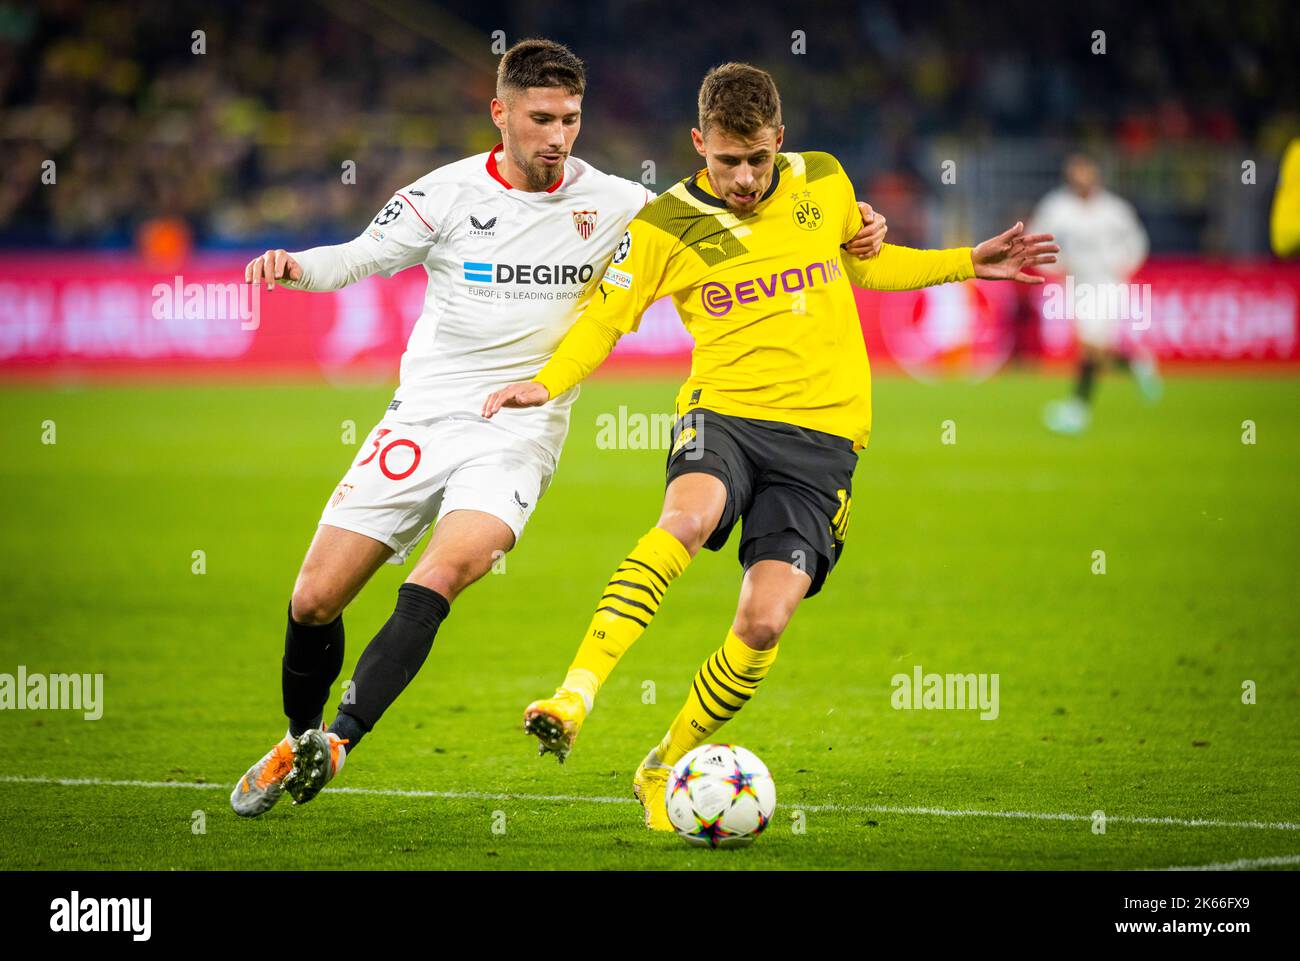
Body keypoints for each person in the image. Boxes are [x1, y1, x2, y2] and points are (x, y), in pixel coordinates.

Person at [229, 41, 887, 817]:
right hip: (424, 414)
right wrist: (293, 265)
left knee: (441, 573)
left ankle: (339, 739)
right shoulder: (442, 195)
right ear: (500, 114)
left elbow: (732, 220)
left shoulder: (619, 206)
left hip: (518, 431)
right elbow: (359, 257)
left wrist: (858, 227)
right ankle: (298, 738)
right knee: (313, 598)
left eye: (571, 119)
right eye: (541, 118)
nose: (558, 135)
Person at [483, 62, 1057, 829]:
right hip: (724, 413)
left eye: (757, 158)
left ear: (779, 142)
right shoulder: (662, 226)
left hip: (825, 438)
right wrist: (547, 382)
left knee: (765, 620)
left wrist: (964, 262)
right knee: (686, 518)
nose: (745, 177)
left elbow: (868, 263)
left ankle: (660, 764)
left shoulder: (822, 182)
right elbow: (603, 321)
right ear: (699, 145)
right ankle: (575, 694)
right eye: (727, 161)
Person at [1033, 154, 1156, 434]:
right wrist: (1053, 267)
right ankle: (1134, 363)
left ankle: (1077, 411)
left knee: (1090, 348)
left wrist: (1125, 265)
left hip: (1107, 284)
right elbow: (1037, 238)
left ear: (1095, 176)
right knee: (1093, 349)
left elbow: (1137, 242)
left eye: (1086, 173)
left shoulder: (1115, 210)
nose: (1081, 179)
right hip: (1077, 284)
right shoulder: (1056, 208)